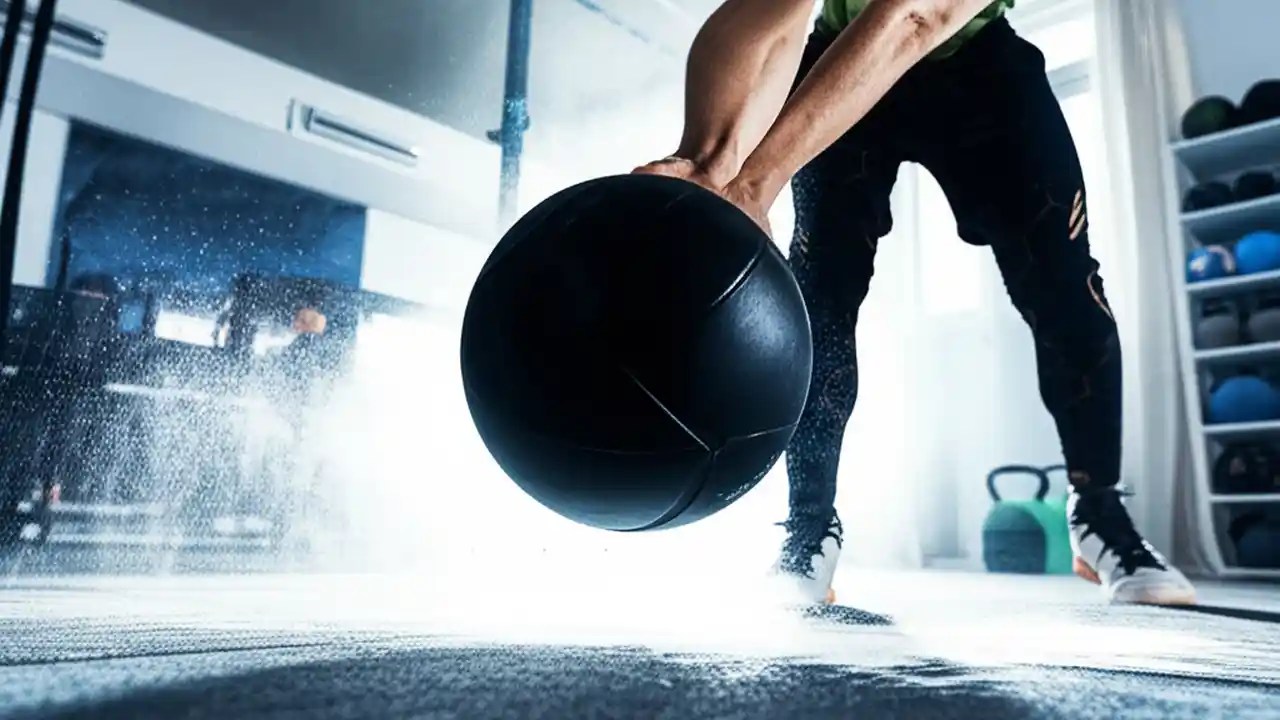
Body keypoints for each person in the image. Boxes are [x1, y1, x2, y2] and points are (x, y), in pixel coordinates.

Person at [636, 0, 1196, 606]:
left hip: (975, 61)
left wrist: (754, 184)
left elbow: (915, 17)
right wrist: (707, 164)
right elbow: (768, 14)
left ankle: (1099, 514)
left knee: (1063, 281)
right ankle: (808, 525)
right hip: (841, 52)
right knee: (817, 291)